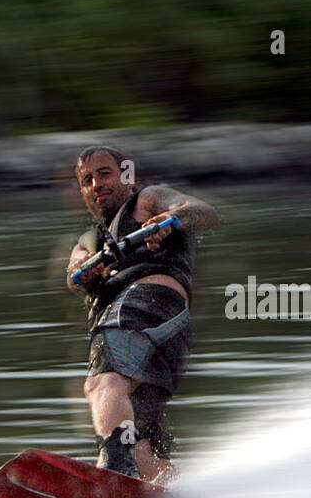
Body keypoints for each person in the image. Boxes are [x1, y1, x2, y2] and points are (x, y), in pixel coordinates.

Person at [62, 146, 220, 481]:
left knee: (102, 383)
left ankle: (113, 469)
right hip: (162, 336)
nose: (96, 184)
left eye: (105, 173)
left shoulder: (147, 200)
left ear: (127, 176)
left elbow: (203, 212)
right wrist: (84, 270)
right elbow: (73, 274)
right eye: (87, 180)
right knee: (144, 455)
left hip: (144, 308)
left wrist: (170, 220)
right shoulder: (89, 241)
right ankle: (196, 495)